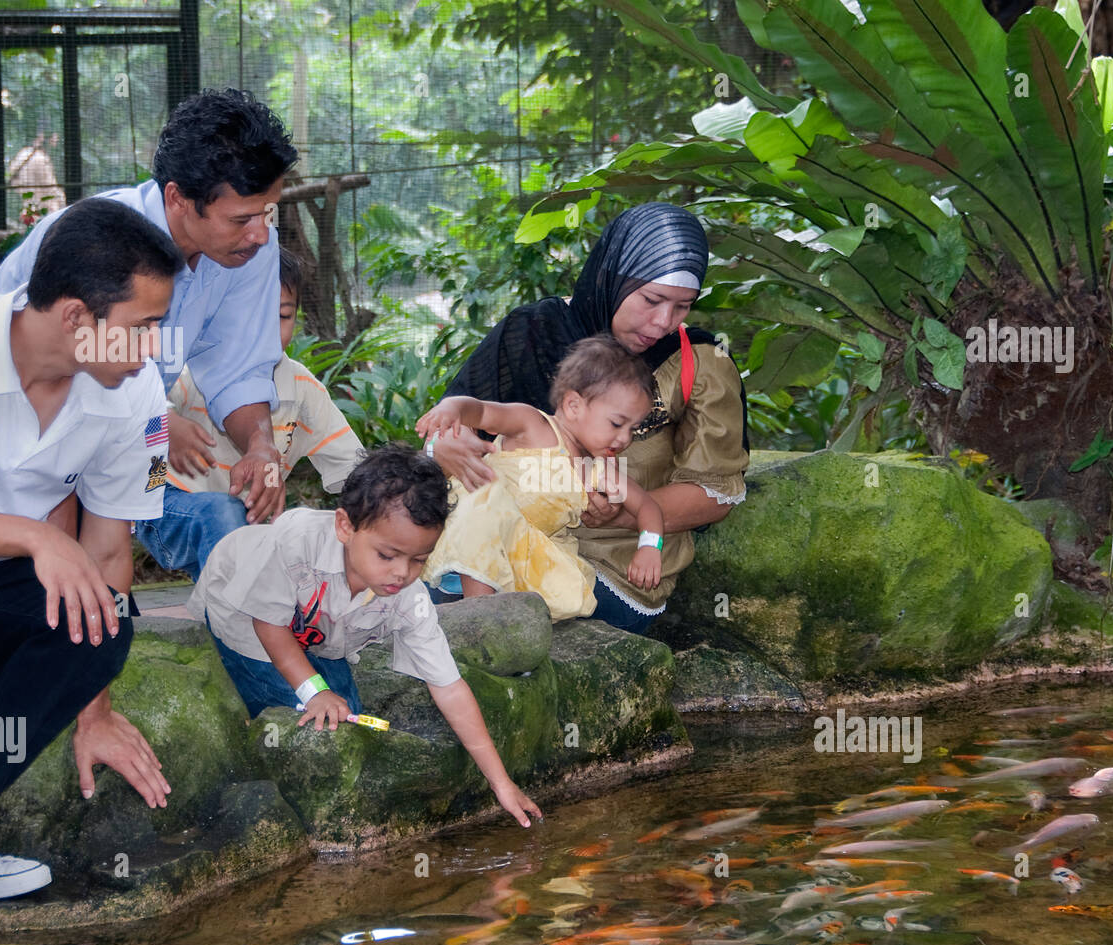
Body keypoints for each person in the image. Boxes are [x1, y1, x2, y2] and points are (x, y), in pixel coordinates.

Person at [0, 199, 183, 910]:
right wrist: (37, 536)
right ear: (76, 318)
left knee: (106, 618)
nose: (155, 349)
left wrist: (91, 707)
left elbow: (107, 553)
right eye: (143, 328)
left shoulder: (141, 400)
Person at [0, 87, 298, 528]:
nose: (261, 235)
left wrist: (262, 447)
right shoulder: (94, 238)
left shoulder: (252, 250)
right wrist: (158, 421)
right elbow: (33, 358)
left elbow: (239, 369)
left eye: (268, 213)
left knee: (218, 523)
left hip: (128, 452)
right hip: (12, 446)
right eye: (241, 219)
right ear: (177, 199)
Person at [186, 445, 543, 829]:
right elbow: (268, 626)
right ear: (345, 527)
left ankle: (303, 683)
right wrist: (314, 691)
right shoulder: (296, 541)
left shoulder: (409, 596)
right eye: (387, 555)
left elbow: (449, 686)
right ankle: (244, 723)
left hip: (312, 633)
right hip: (243, 614)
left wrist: (501, 782)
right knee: (309, 719)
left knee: (348, 719)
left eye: (419, 560)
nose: (402, 573)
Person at [435, 202, 750, 634]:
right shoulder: (532, 332)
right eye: (652, 300)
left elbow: (715, 493)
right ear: (612, 278)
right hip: (499, 538)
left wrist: (620, 514)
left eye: (682, 306)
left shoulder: (702, 361)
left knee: (455, 609)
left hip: (610, 568)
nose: (662, 322)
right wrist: (443, 448)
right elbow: (452, 425)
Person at [137, 247, 364, 580]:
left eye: (282, 316)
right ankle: (245, 621)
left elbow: (355, 471)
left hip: (247, 522)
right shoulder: (192, 368)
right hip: (163, 503)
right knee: (225, 516)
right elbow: (133, 405)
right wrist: (167, 423)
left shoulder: (302, 389)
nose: (264, 330)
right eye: (250, 315)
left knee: (311, 532)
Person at [415, 334, 665, 621]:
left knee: (565, 590)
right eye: (617, 423)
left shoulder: (596, 469)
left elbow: (647, 507)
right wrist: (452, 408)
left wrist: (649, 547)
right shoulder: (532, 424)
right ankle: (478, 619)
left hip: (521, 555)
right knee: (487, 501)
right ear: (573, 405)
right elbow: (481, 410)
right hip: (472, 527)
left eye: (633, 429)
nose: (624, 438)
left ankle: (498, 620)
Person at [8, 130, 66, 219]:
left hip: (28, 208)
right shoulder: (41, 159)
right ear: (42, 137)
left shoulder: (24, 153)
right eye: (54, 136)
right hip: (44, 210)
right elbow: (50, 187)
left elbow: (12, 179)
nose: (56, 139)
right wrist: (62, 200)